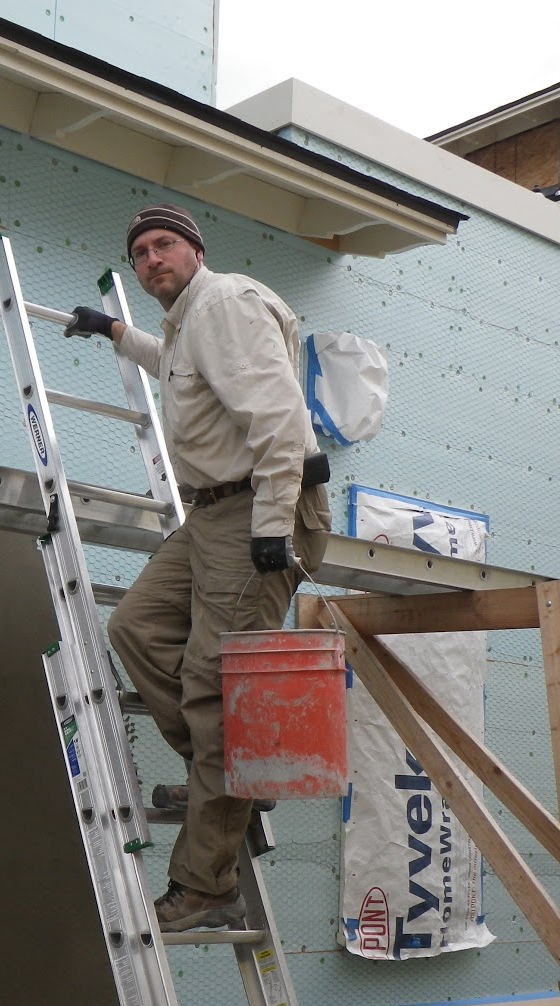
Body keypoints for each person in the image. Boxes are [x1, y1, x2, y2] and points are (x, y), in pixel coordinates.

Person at [64, 204, 331, 933]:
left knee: (214, 691)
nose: (152, 260)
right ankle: (225, 784)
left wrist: (274, 528)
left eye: (165, 245)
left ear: (195, 250)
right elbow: (182, 371)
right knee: (137, 628)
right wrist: (117, 333)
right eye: (141, 252)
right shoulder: (190, 322)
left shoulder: (226, 304)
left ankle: (207, 882)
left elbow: (278, 421)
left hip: (258, 510)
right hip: (213, 513)